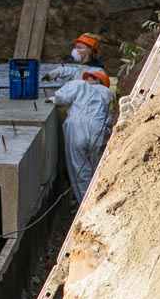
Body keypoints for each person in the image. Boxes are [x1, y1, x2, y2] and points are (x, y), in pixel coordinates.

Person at [47, 71, 114, 203]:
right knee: (98, 170)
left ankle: (85, 205)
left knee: (80, 171)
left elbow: (61, 97)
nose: (86, 80)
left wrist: (55, 100)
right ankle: (100, 201)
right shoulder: (106, 94)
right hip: (99, 129)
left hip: (78, 128)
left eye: (88, 78)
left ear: (95, 80)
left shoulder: (80, 85)